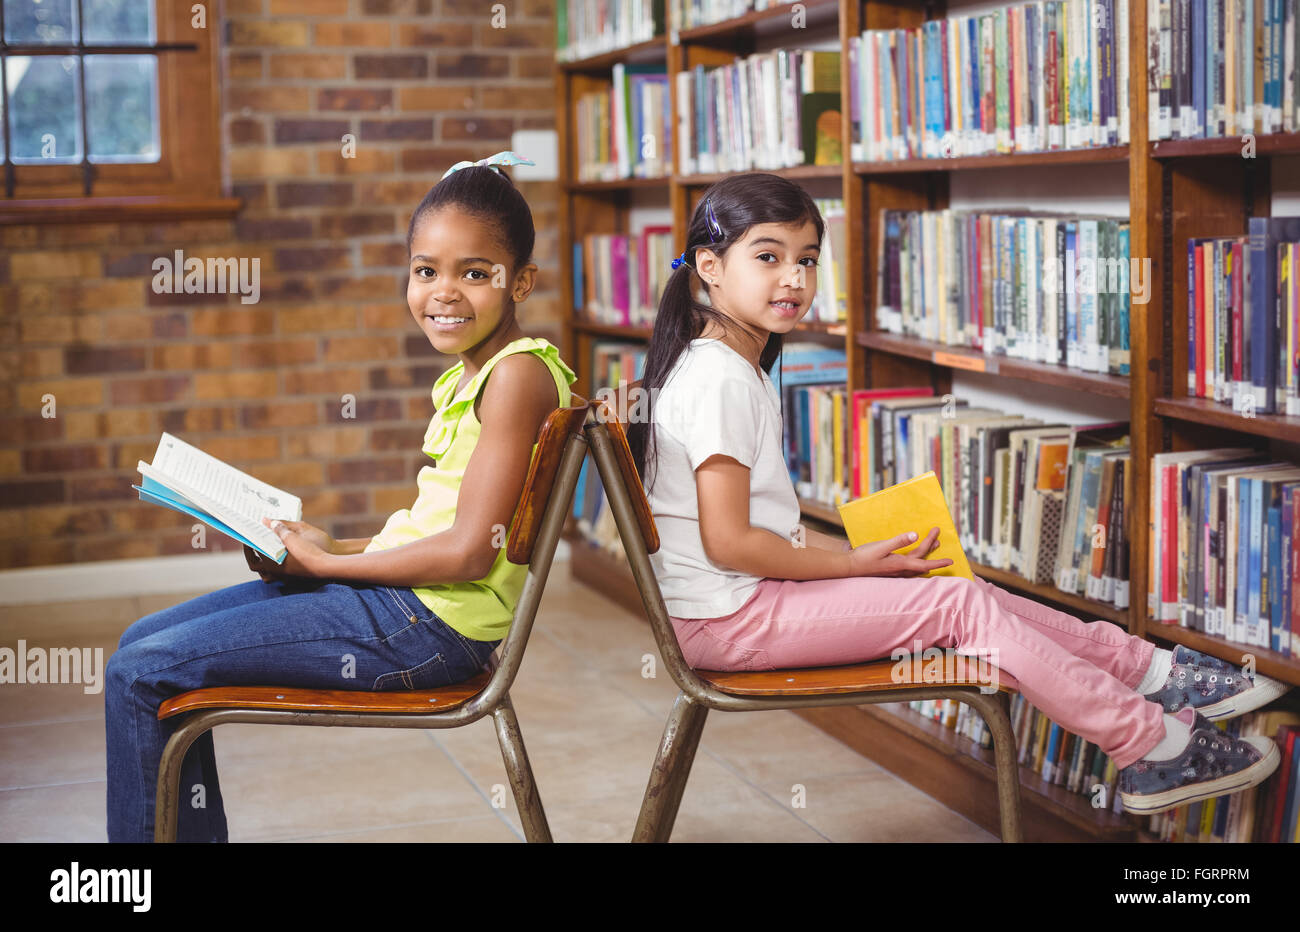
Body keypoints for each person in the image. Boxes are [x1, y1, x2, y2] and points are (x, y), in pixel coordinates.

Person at [626, 171, 1290, 816]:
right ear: (709, 267)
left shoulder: (718, 362)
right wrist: (855, 563)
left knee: (960, 590)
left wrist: (863, 555)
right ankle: (1148, 744)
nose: (794, 279)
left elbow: (759, 532)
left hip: (732, 608)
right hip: (727, 622)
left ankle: (1150, 671)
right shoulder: (720, 379)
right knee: (960, 607)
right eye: (767, 257)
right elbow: (731, 543)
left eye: (807, 259)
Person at [105, 151, 575, 842]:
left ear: (521, 282)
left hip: (428, 629)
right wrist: (327, 546)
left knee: (141, 673)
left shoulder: (517, 378)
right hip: (410, 608)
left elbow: (473, 552)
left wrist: (326, 569)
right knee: (141, 643)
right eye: (426, 271)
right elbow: (443, 526)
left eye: (475, 273)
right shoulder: (481, 374)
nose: (444, 292)